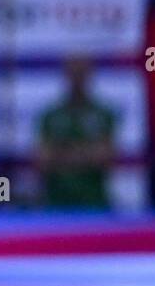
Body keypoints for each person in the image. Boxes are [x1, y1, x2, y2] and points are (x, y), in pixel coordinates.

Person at [37, 57, 117, 209]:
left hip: (95, 203)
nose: (77, 78)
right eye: (73, 73)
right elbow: (43, 162)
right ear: (65, 75)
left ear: (89, 75)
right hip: (56, 205)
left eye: (81, 73)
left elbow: (104, 159)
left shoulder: (104, 114)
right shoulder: (50, 116)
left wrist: (62, 152)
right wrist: (86, 153)